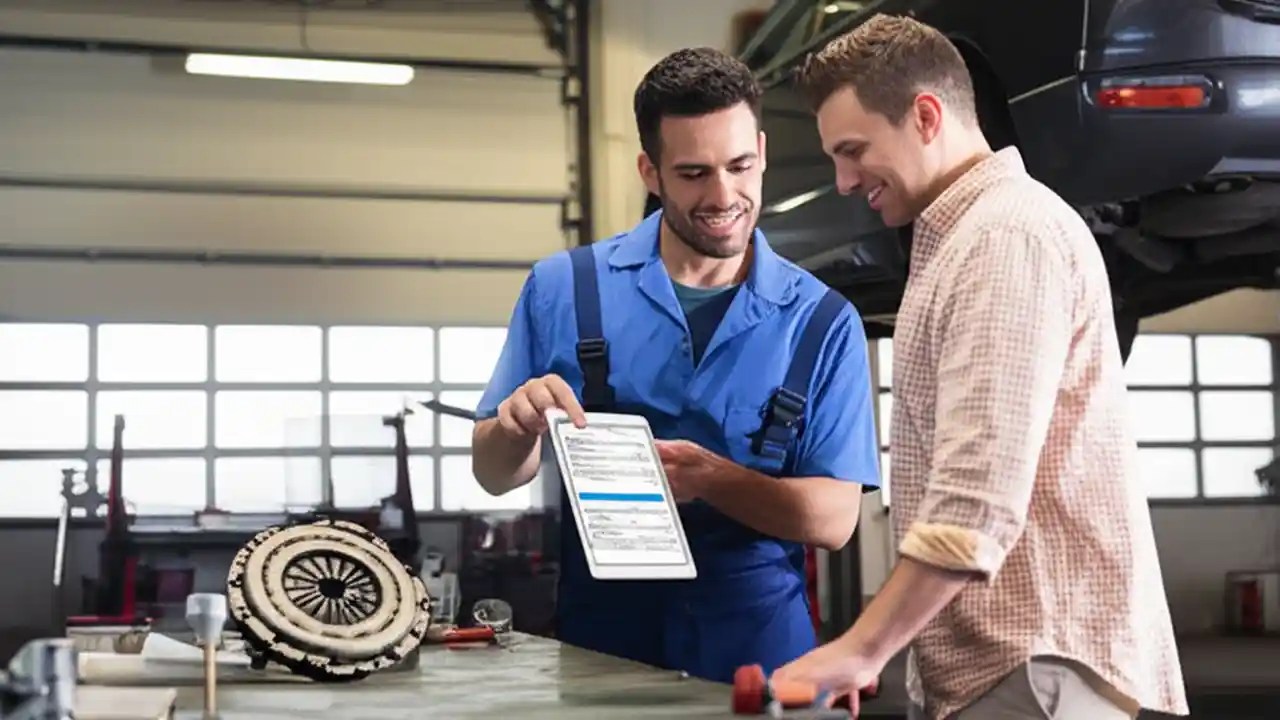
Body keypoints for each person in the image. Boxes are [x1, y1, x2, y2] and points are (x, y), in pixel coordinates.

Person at [771, 13, 1189, 720]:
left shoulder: (1004, 238)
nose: (842, 181)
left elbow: (977, 499)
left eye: (853, 150)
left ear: (926, 116)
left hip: (1034, 667)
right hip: (1012, 670)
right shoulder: (965, 238)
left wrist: (862, 649)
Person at [470, 46, 882, 683]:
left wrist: (711, 478)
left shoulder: (822, 322)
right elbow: (494, 474)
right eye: (693, 173)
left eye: (740, 166)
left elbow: (832, 520)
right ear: (651, 172)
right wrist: (513, 428)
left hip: (760, 658)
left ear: (762, 152)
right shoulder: (563, 288)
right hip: (603, 654)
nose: (723, 195)